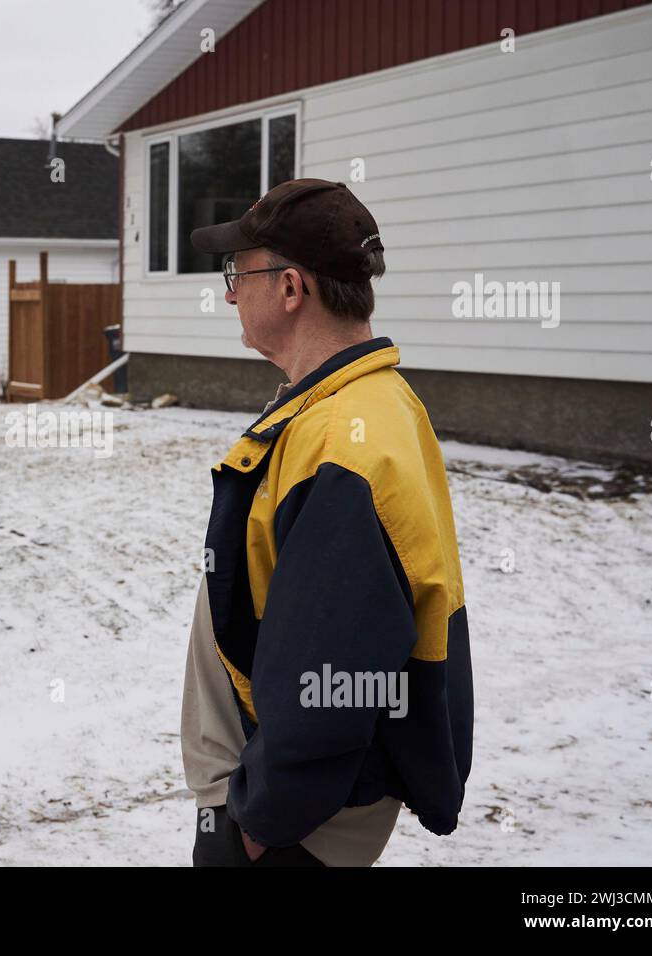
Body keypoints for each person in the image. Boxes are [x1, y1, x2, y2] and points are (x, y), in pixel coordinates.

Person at [181, 179, 473, 867]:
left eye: (237, 272)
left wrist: (259, 825)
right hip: (294, 799)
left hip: (297, 822)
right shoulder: (363, 403)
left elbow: (332, 673)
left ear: (289, 288)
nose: (228, 293)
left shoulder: (347, 438)